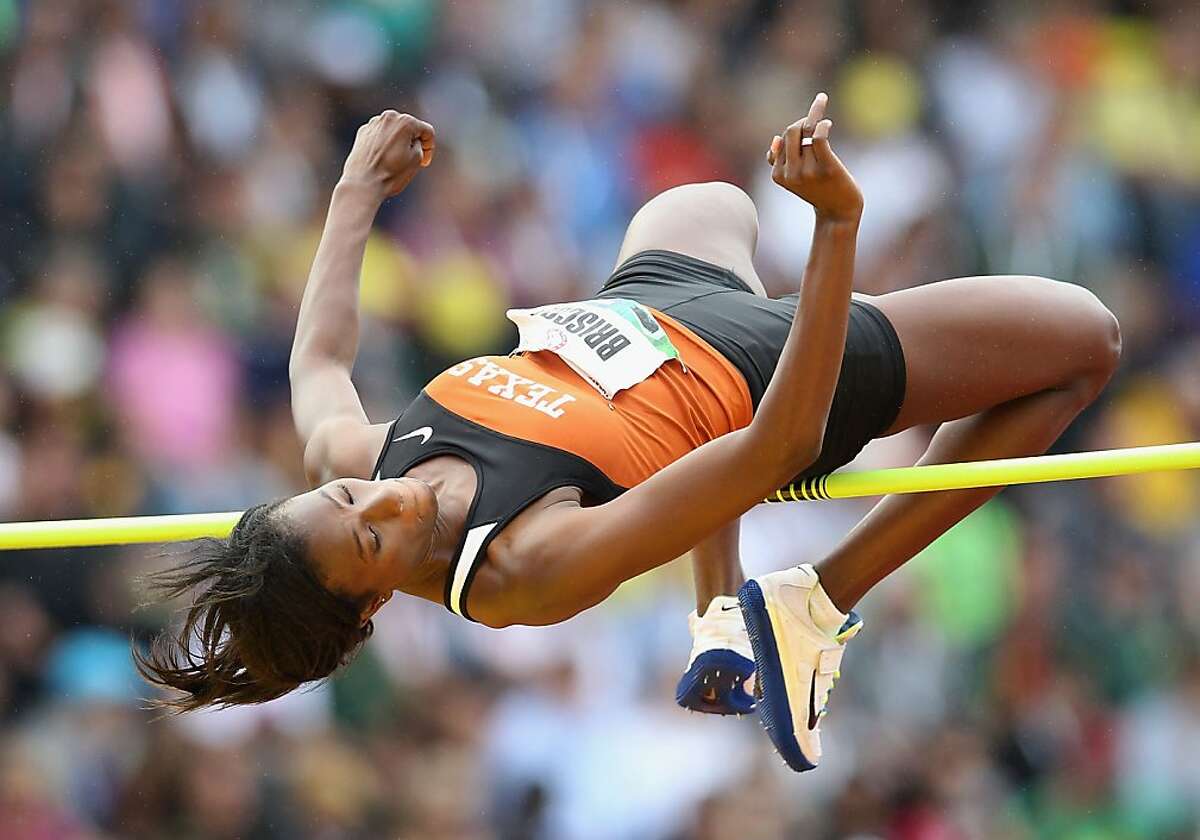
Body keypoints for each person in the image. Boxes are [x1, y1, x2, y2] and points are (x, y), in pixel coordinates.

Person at [138, 95, 1121, 772]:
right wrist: (834, 233)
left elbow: (317, 363)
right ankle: (817, 603)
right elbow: (775, 447)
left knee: (709, 200)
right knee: (1087, 340)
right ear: (367, 617)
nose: (387, 497)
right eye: (373, 537)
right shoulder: (525, 568)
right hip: (765, 375)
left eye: (348, 496)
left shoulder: (359, 463)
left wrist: (356, 188)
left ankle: (722, 617)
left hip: (654, 303)